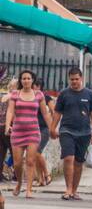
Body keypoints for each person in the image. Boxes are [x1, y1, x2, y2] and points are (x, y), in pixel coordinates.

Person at [50, 68, 92, 201]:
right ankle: (68, 189)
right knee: (68, 158)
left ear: (81, 78)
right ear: (69, 79)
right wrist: (52, 128)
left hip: (84, 133)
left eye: (76, 79)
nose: (74, 82)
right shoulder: (64, 94)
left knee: (78, 162)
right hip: (67, 130)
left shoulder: (90, 94)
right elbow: (57, 112)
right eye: (72, 79)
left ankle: (74, 190)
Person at [6, 69, 54, 200]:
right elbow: (10, 111)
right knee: (17, 163)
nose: (26, 81)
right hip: (17, 132)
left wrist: (52, 129)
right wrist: (7, 126)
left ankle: (29, 189)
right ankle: (20, 183)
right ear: (21, 81)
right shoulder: (15, 94)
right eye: (24, 78)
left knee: (31, 161)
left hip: (33, 132)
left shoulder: (39, 95)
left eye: (28, 78)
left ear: (32, 80)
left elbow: (45, 113)